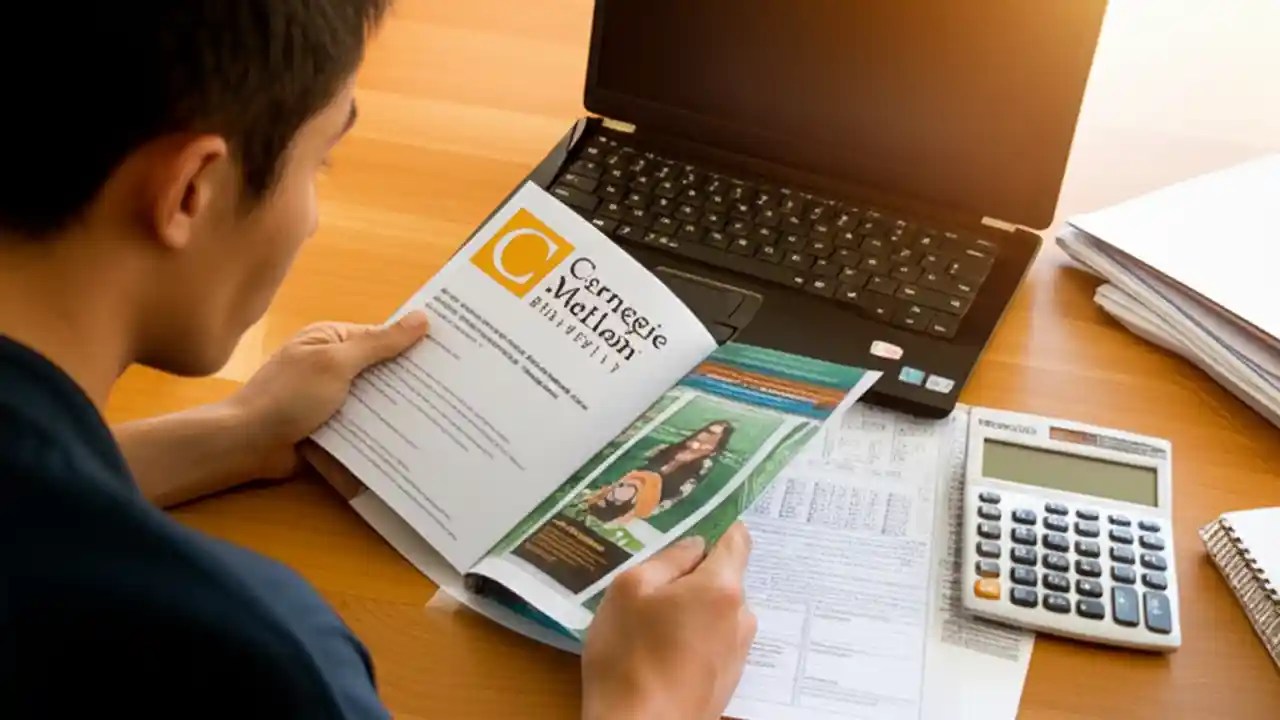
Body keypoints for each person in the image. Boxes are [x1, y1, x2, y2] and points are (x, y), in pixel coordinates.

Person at [0, 3, 756, 718]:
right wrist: (651, 704)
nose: (312, 218)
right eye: (320, 162)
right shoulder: (241, 657)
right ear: (192, 191)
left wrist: (232, 432)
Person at [583, 420, 734, 525]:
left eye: (714, 435)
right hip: (636, 483)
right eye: (707, 431)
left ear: (717, 445)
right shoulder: (667, 447)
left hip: (659, 493)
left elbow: (683, 492)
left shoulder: (704, 465)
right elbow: (639, 462)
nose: (706, 436)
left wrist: (654, 508)